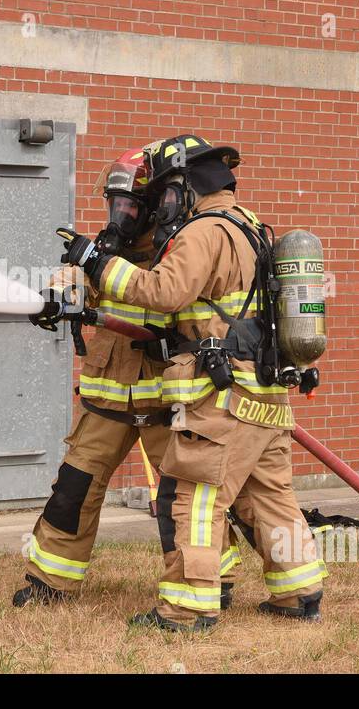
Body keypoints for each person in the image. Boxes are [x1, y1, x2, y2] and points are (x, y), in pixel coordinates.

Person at [61, 134, 326, 631]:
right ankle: (299, 592)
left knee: (195, 498)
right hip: (265, 393)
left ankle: (187, 608)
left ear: (185, 188)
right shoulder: (250, 227)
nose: (162, 205)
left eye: (166, 193)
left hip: (222, 397)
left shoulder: (204, 230)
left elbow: (164, 291)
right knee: (271, 496)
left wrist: (99, 264)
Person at [18, 146, 245, 606]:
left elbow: (172, 295)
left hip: (166, 400)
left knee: (183, 499)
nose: (121, 216)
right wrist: (54, 296)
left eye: (131, 206)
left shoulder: (179, 246)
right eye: (115, 205)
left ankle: (211, 580)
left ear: (157, 203)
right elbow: (75, 279)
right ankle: (49, 581)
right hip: (108, 400)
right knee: (74, 488)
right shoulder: (104, 250)